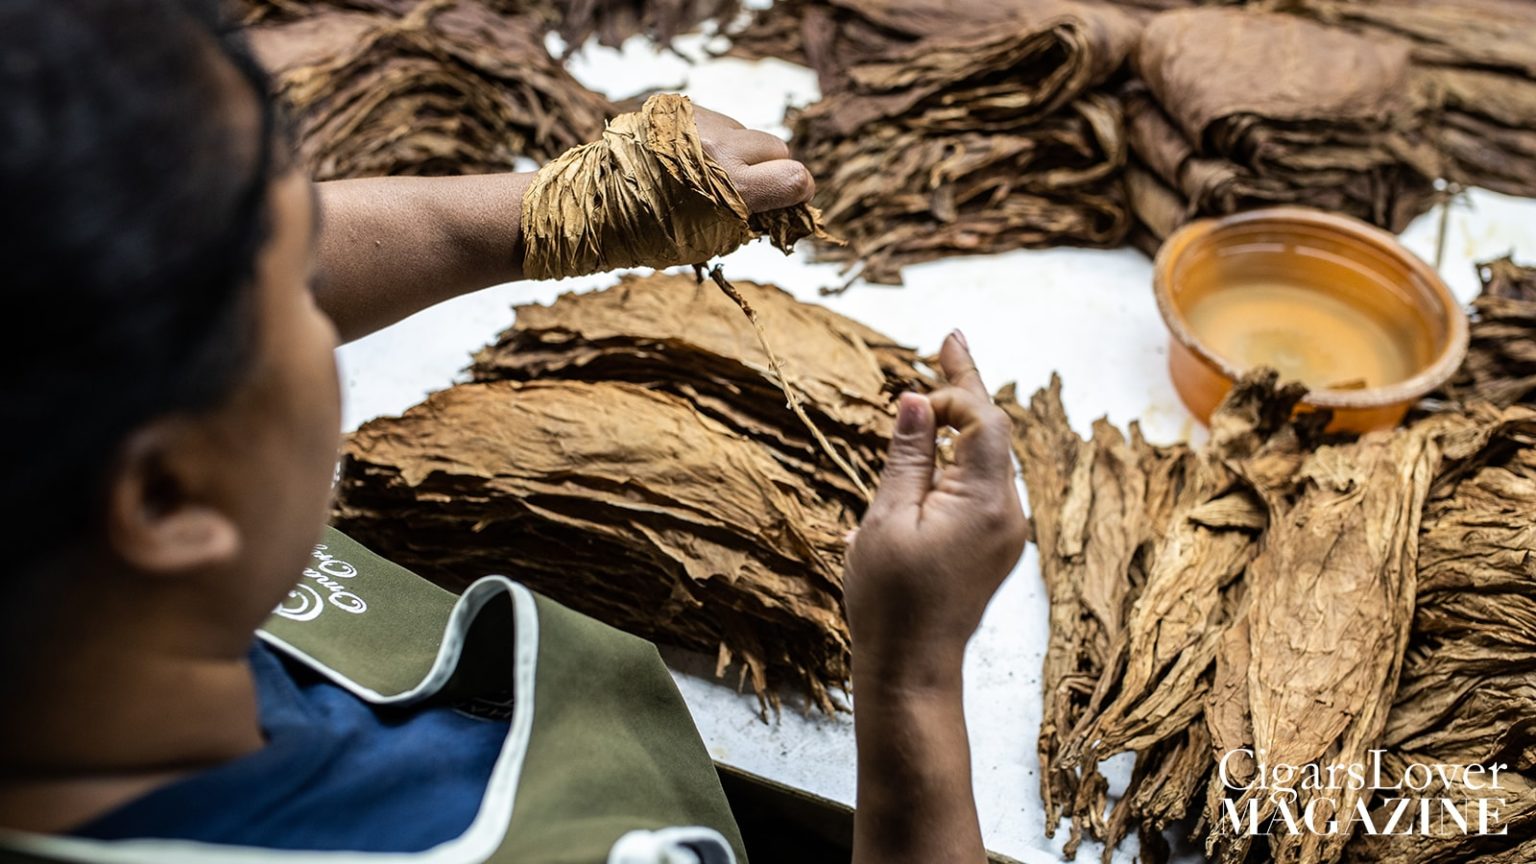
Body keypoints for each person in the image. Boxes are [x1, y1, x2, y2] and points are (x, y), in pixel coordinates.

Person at [0, 1, 1029, 862]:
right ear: (169, 497)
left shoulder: (68, 537)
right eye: (294, 299)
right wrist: (911, 682)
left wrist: (560, 208)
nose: (325, 289)